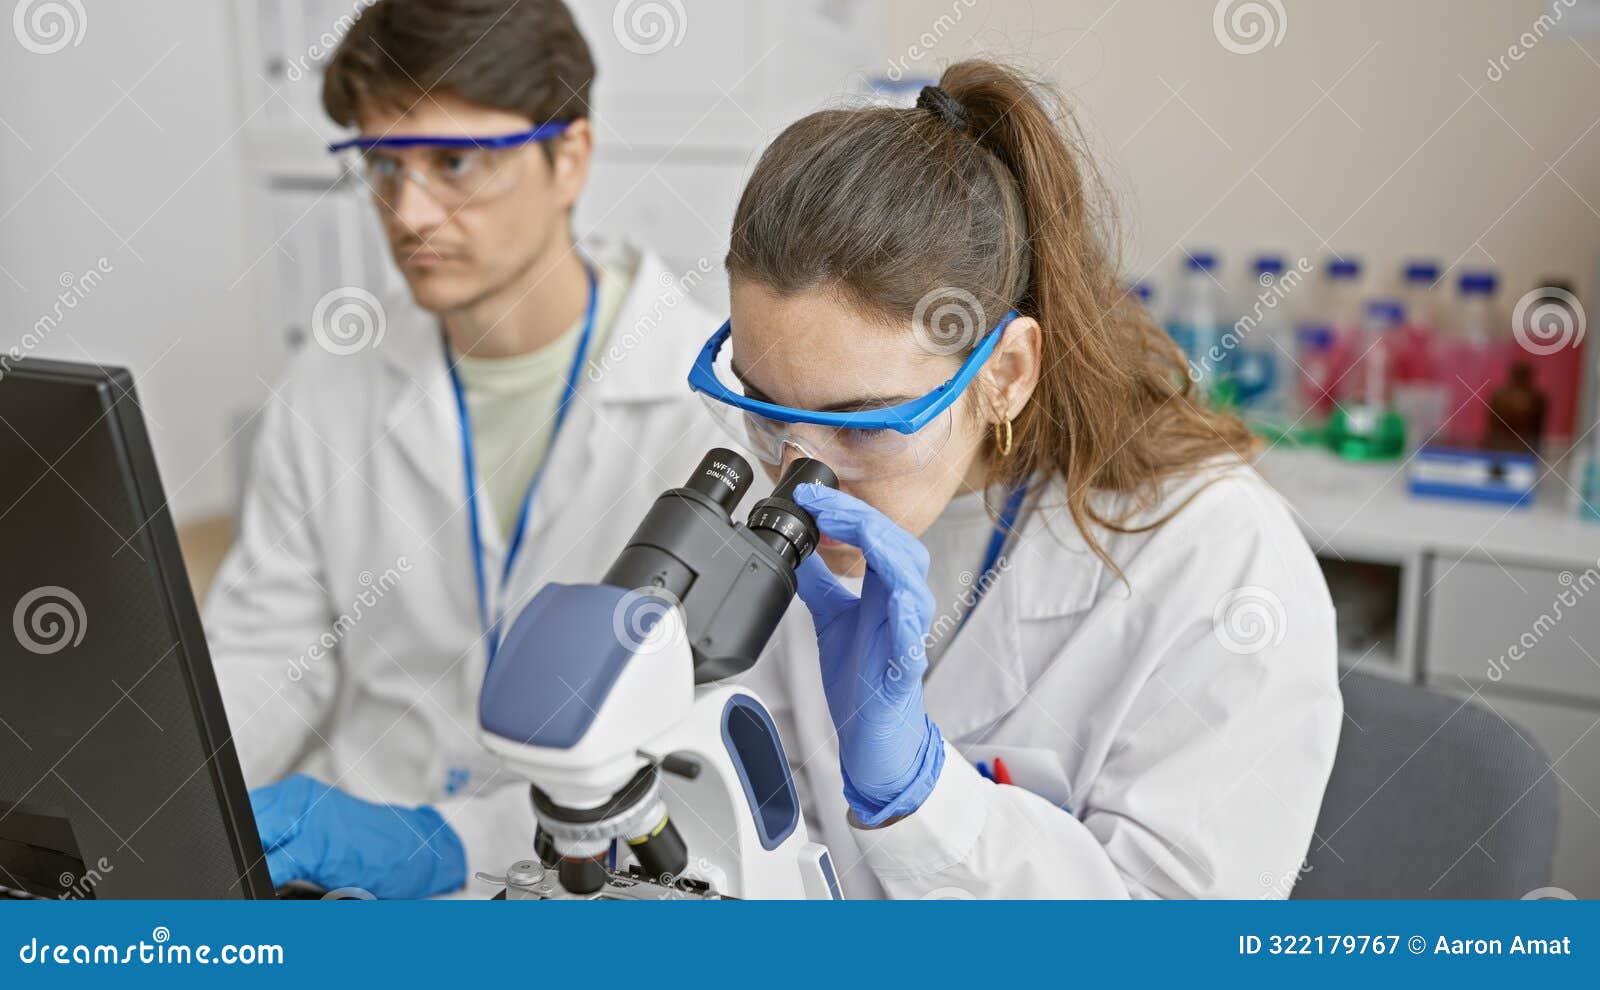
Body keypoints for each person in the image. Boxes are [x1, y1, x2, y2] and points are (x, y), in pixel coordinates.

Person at [693, 61, 1342, 898]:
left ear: (1005, 370)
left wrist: (921, 797)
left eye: (863, 424)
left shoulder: (1219, 559)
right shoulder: (765, 478)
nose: (798, 477)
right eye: (767, 408)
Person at [206, 0, 719, 898]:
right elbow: (268, 652)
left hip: (603, 882)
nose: (408, 212)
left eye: (453, 163)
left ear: (570, 158)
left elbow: (712, 738)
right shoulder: (330, 381)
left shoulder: (708, 404)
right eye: (381, 165)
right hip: (345, 871)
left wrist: (448, 838)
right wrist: (171, 793)